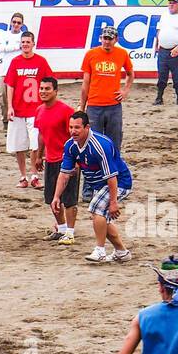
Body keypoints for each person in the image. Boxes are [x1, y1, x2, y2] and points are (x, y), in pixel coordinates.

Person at [50, 110, 133, 264]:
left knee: (96, 209)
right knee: (102, 220)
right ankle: (122, 252)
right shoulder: (70, 145)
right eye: (71, 127)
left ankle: (100, 251)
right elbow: (64, 174)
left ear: (87, 127)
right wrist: (56, 197)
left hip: (119, 182)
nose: (73, 131)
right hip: (100, 184)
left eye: (77, 128)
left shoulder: (100, 145)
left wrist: (114, 202)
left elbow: (112, 176)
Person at [2, 31, 49, 189]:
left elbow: (50, 82)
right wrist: (9, 107)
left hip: (35, 110)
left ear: (33, 43)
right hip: (18, 109)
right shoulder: (15, 62)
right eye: (23, 42)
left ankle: (35, 175)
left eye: (28, 42)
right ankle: (23, 176)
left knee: (35, 144)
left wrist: (46, 104)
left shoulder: (41, 62)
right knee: (18, 145)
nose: (25, 45)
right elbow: (10, 85)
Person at [35, 77, 79, 244]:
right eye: (41, 88)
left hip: (67, 160)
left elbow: (76, 136)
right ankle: (61, 229)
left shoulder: (66, 111)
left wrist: (76, 161)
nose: (43, 92)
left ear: (55, 91)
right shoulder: (39, 110)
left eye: (47, 89)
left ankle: (70, 232)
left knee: (69, 199)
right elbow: (41, 135)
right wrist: (39, 156)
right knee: (52, 197)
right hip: (51, 160)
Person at [79, 25, 132, 150]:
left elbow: (130, 73)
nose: (107, 41)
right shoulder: (91, 54)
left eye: (110, 39)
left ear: (116, 40)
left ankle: (113, 167)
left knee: (114, 142)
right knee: (93, 142)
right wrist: (82, 106)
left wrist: (125, 90)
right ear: (100, 38)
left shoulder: (122, 54)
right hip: (94, 105)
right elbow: (85, 82)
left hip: (114, 106)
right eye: (105, 38)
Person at [151, 0, 178, 107]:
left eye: (174, 2)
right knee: (161, 76)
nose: (171, 4)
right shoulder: (164, 16)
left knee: (177, 77)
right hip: (163, 51)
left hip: (175, 51)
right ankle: (159, 98)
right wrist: (157, 44)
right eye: (170, 2)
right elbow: (159, 30)